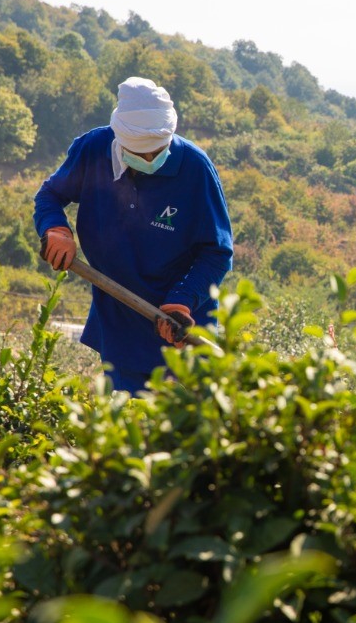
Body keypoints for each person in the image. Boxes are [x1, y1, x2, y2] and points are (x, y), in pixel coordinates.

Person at [33, 76, 233, 393]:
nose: (151, 161)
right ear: (120, 141)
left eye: (157, 152)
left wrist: (182, 301)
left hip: (181, 324)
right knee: (127, 424)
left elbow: (217, 252)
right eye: (142, 154)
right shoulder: (93, 150)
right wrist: (56, 228)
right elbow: (49, 196)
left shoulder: (196, 170)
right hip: (120, 316)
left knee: (188, 425)